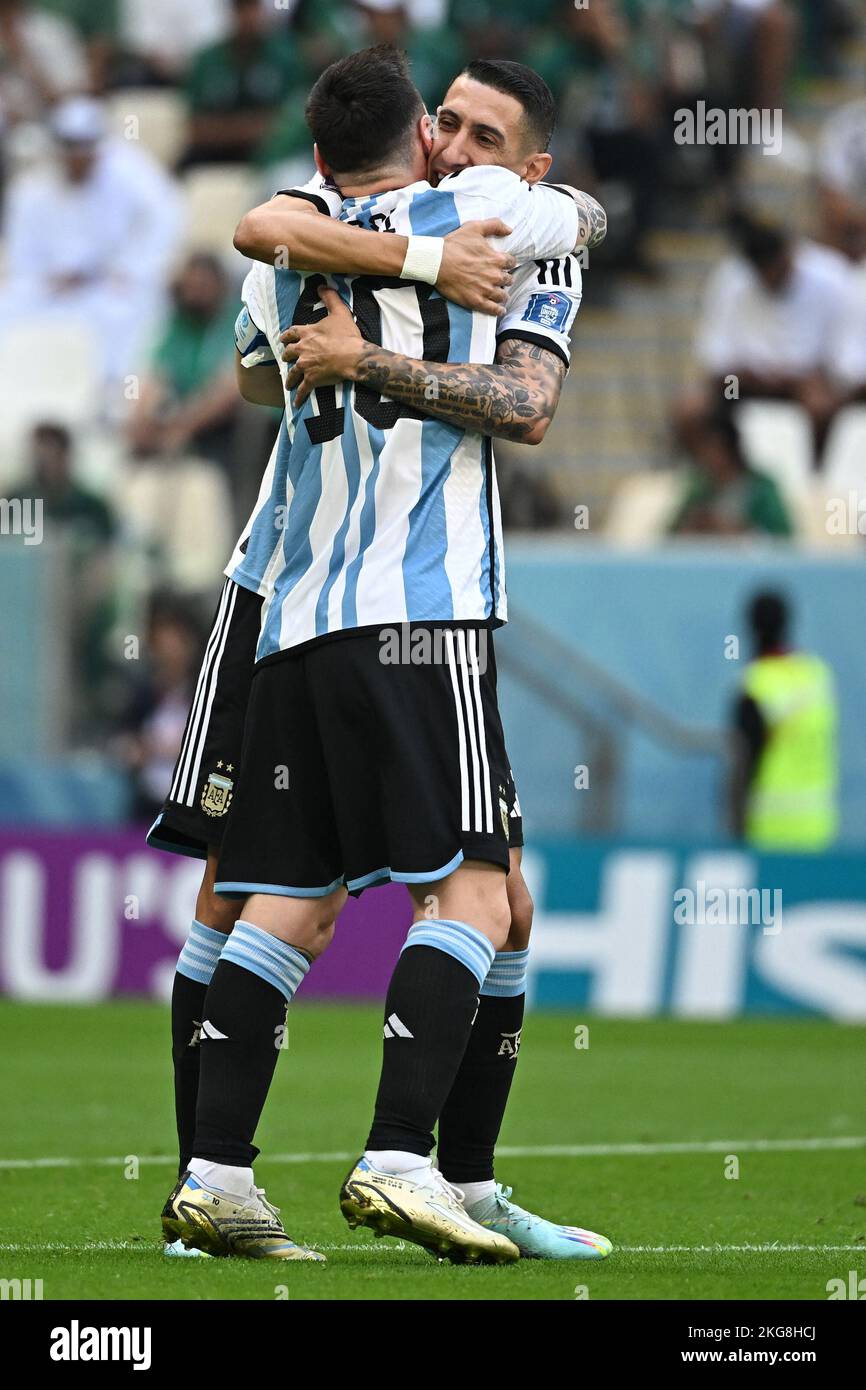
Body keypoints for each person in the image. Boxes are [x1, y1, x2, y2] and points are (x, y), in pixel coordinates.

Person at [157, 48, 611, 1264]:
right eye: (444, 121)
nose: (455, 146)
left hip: (309, 612)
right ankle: (397, 1158)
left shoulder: (305, 225)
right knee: (468, 885)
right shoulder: (481, 218)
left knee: (305, 901)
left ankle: (232, 1177)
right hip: (403, 601)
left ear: (523, 156)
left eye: (479, 131)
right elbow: (522, 388)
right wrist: (408, 275)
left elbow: (265, 354)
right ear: (417, 132)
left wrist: (357, 330)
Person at [0, 96, 181, 392]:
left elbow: (164, 222)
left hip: (109, 282)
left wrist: (125, 269)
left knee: (128, 312)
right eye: (69, 147)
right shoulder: (32, 188)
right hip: (51, 288)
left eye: (83, 147)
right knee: (6, 307)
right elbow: (22, 255)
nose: (76, 156)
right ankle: (15, 393)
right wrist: (50, 279)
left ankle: (112, 394)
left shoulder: (130, 172)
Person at [693, 214, 852, 465]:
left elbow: (845, 357)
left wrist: (809, 374)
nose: (773, 277)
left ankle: (813, 477)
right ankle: (722, 471)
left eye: (779, 268)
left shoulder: (831, 275)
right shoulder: (730, 278)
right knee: (696, 407)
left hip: (804, 384)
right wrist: (745, 374)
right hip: (743, 383)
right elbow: (715, 356)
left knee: (819, 405)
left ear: (789, 254)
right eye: (765, 272)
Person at [730, 591, 839, 851]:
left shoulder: (754, 684)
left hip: (768, 830)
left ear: (750, 627)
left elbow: (745, 763)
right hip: (819, 827)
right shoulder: (818, 675)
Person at [127, 253, 239, 469]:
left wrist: (183, 426)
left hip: (223, 430)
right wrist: (141, 416)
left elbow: (232, 387)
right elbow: (153, 374)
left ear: (220, 287)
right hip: (178, 421)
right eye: (190, 286)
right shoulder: (179, 323)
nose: (195, 293)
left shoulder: (236, 319)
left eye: (202, 285)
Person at [668, 409, 793, 538]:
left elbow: (784, 541)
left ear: (730, 449)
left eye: (713, 450)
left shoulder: (762, 488)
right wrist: (693, 526)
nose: (706, 457)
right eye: (702, 451)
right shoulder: (699, 489)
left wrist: (740, 531)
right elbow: (667, 540)